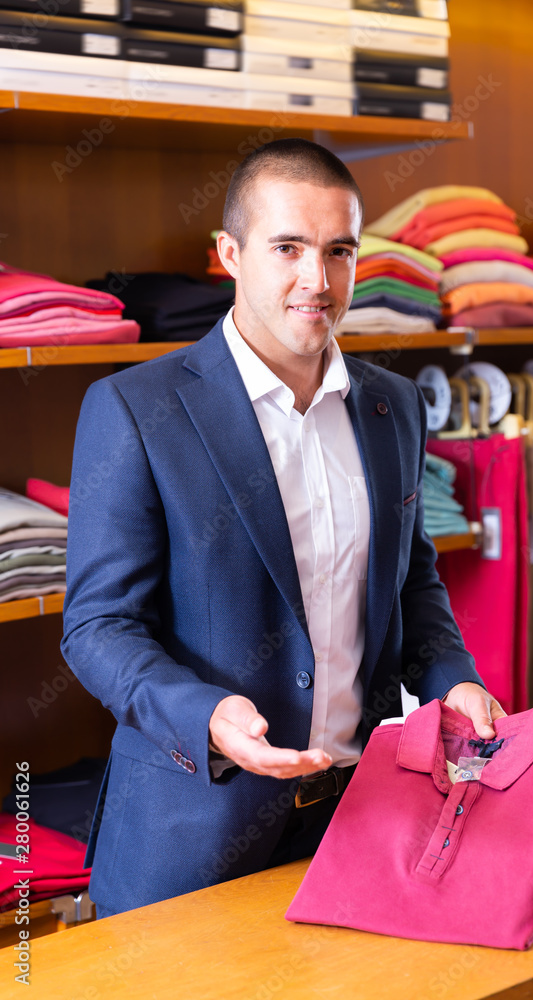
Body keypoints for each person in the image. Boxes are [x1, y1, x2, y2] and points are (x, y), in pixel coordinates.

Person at [61, 138, 505, 919]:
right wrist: (205, 713)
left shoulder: (392, 407)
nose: (317, 280)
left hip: (358, 821)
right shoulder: (134, 408)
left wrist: (454, 680)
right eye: (288, 247)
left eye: (339, 251)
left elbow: (412, 584)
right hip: (192, 829)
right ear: (229, 254)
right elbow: (98, 627)